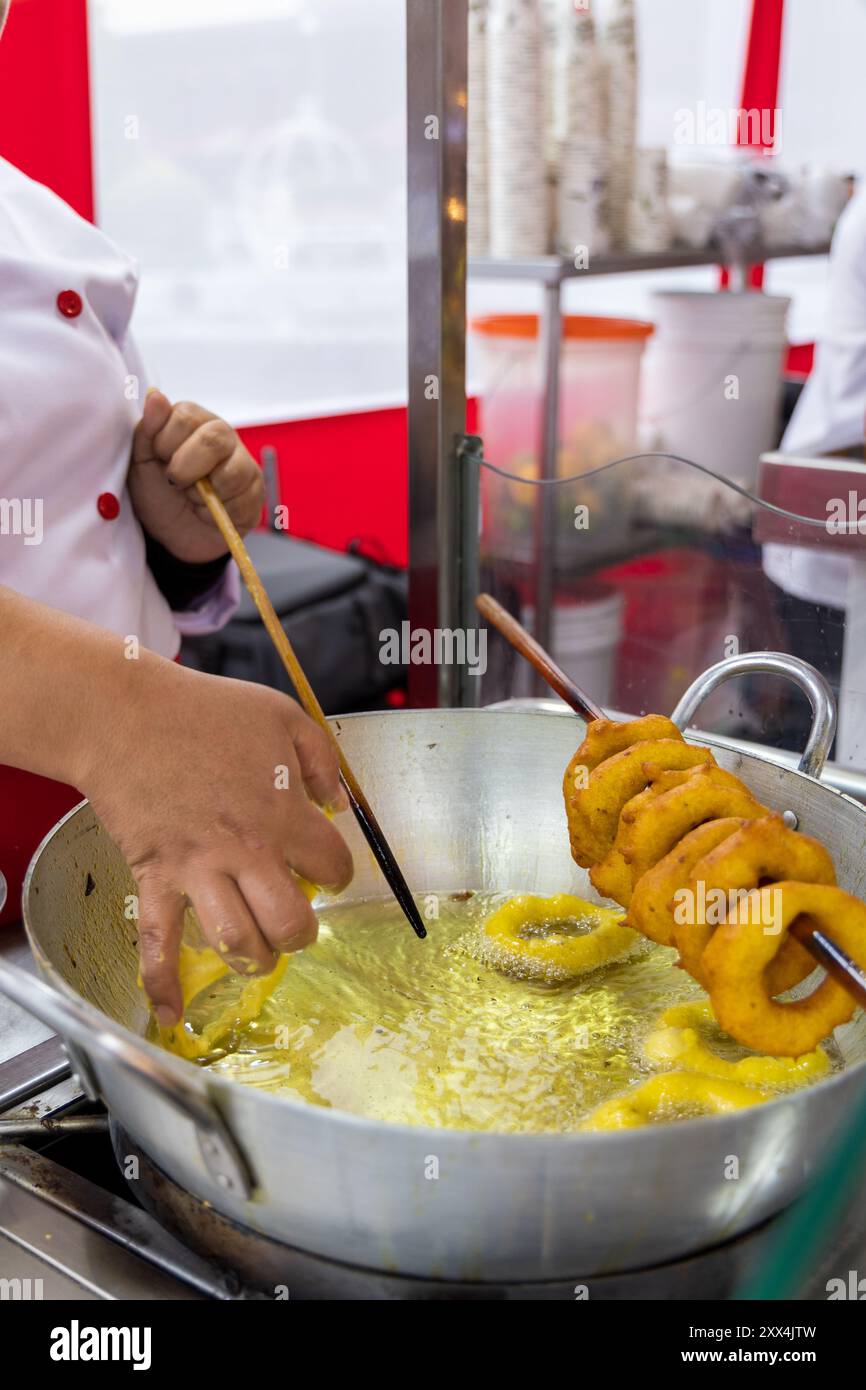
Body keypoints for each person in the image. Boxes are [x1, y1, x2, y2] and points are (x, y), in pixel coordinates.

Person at [0, 0, 352, 1025]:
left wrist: (174, 533)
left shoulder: (36, 216)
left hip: (114, 840)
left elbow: (68, 523)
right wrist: (119, 717)